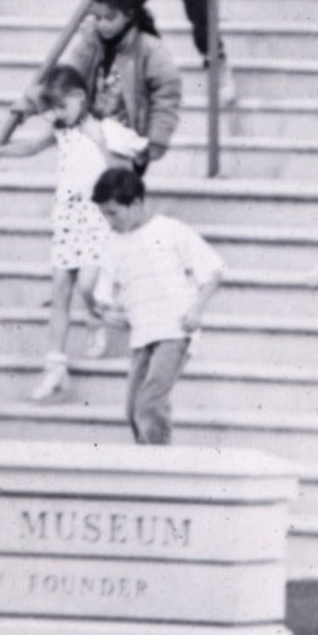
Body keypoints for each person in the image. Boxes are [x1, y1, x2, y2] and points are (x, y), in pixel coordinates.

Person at [2, 63, 140, 404]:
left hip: (95, 217)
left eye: (62, 106)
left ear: (80, 97)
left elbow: (124, 170)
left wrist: (99, 142)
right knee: (61, 289)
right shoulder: (62, 129)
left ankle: (103, 321)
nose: (56, 115)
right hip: (67, 218)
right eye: (53, 109)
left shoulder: (105, 129)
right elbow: (31, 146)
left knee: (87, 287)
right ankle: (55, 366)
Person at [87, 167, 224, 447]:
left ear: (136, 203)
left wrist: (197, 310)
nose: (108, 221)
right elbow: (103, 296)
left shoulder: (170, 231)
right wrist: (105, 312)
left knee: (149, 403)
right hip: (142, 335)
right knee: (133, 409)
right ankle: (148, 463)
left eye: (113, 213)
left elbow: (214, 271)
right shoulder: (113, 244)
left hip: (174, 331)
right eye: (104, 214)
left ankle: (162, 465)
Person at [50, 0, 185, 164]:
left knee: (117, 191)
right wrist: (34, 101)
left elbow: (167, 94)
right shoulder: (91, 43)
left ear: (128, 15)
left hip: (129, 142)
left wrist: (157, 139)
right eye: (97, 18)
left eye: (110, 17)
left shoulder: (149, 47)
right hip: (92, 135)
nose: (102, 24)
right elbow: (69, 78)